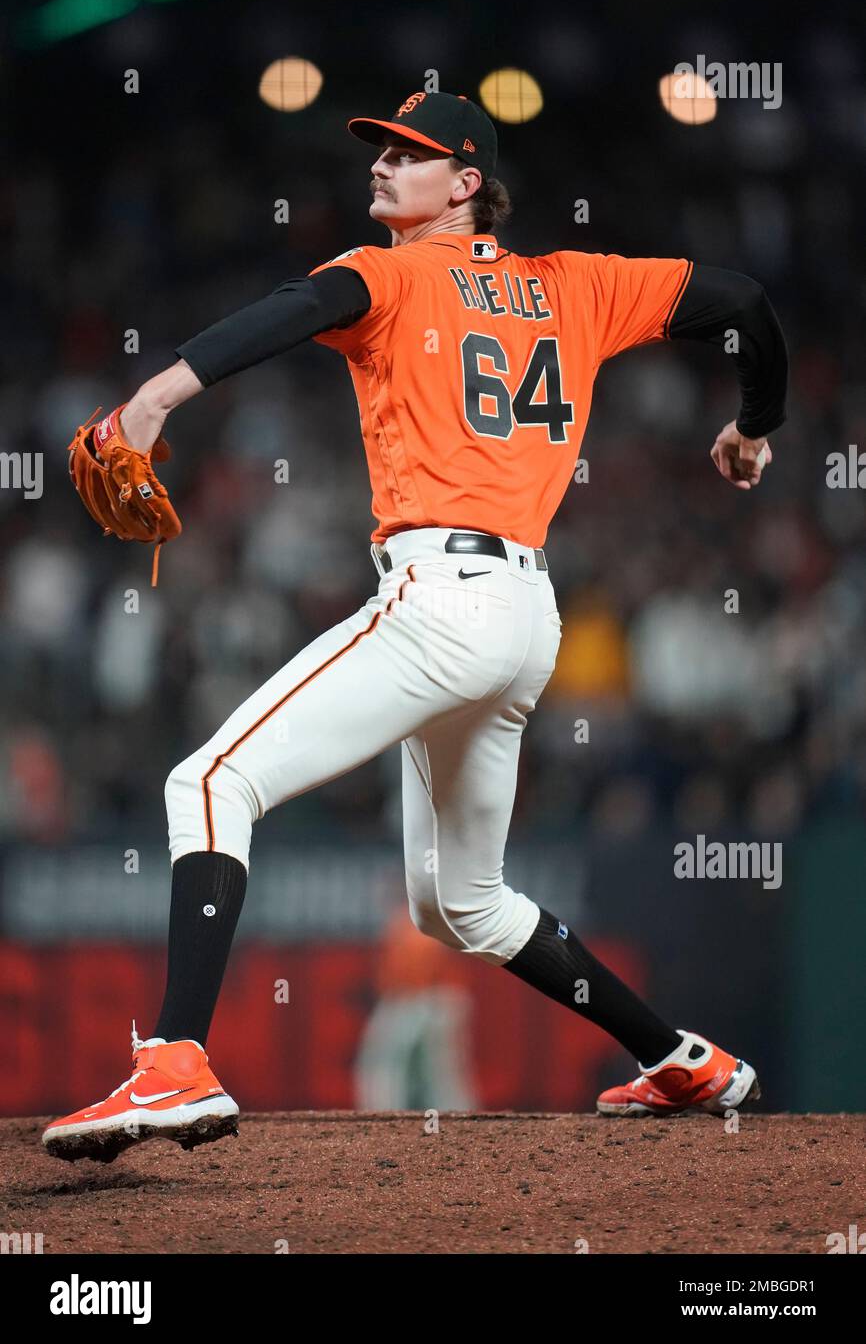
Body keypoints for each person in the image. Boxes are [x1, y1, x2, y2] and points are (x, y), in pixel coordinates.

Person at [43, 91, 786, 1161]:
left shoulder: (391, 272)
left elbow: (294, 309)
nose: (384, 166)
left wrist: (154, 398)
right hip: (525, 614)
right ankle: (679, 1057)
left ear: (467, 183)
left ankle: (175, 1063)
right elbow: (744, 301)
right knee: (461, 905)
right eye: (381, 151)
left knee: (206, 783)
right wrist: (751, 428)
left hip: (438, 598)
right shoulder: (574, 286)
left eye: (412, 155)